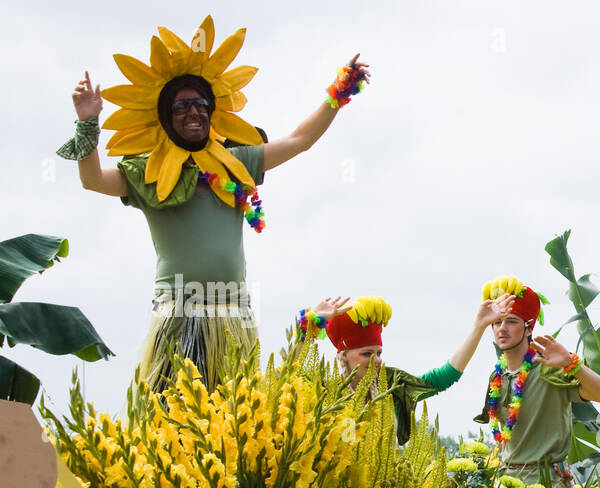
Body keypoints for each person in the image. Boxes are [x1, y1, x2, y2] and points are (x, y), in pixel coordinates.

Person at [59, 16, 369, 391]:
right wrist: (87, 125)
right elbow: (92, 181)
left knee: (232, 424)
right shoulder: (147, 173)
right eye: (181, 107)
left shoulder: (237, 162)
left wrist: (338, 93)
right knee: (168, 418)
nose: (194, 111)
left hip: (232, 320)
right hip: (176, 317)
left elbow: (299, 140)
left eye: (201, 103)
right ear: (164, 117)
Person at [472, 276, 600, 488]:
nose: (502, 329)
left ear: (529, 328)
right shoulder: (497, 378)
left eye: (511, 321)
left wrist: (571, 363)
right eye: (497, 323)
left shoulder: (548, 367)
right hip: (506, 486)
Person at [299, 294, 505, 446]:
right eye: (367, 354)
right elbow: (293, 376)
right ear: (343, 356)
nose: (377, 360)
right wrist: (307, 326)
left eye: (379, 353)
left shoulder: (390, 388)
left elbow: (444, 377)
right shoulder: (325, 391)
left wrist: (479, 326)